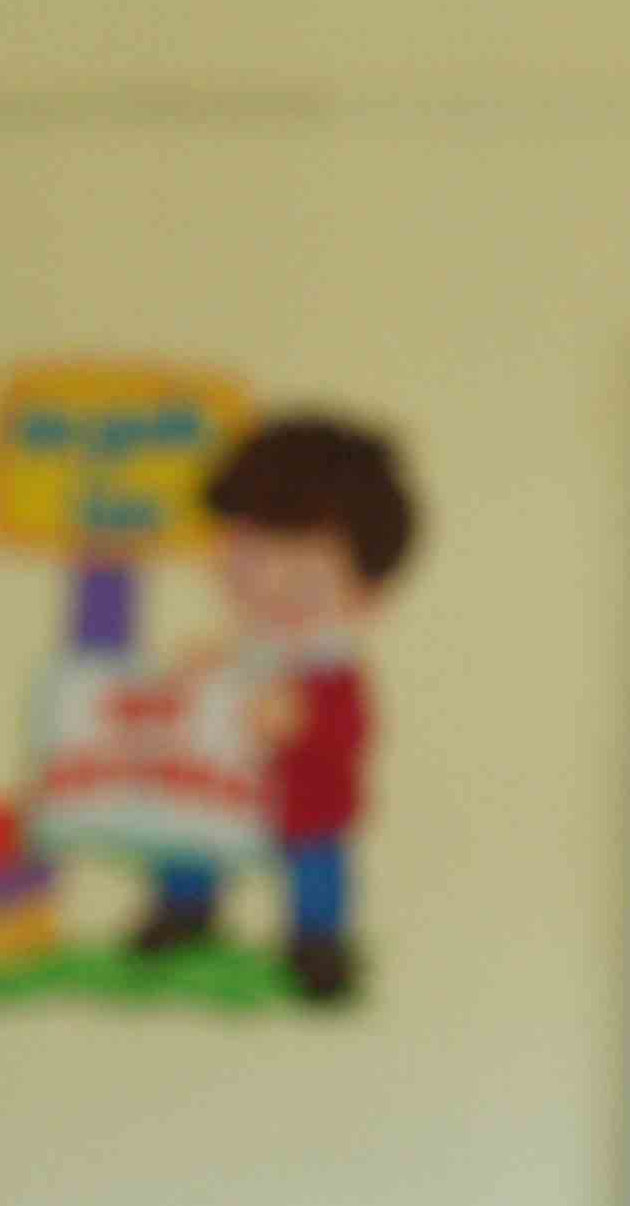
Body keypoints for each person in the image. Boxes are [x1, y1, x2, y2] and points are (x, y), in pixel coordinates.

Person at [130, 415, 419, 1003]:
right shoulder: (246, 651)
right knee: (190, 844)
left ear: (366, 592)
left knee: (316, 869)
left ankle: (317, 942)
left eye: (304, 576)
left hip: (306, 806)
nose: (272, 585)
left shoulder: (332, 669)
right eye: (250, 557)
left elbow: (346, 731)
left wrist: (296, 722)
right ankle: (184, 910)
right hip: (220, 792)